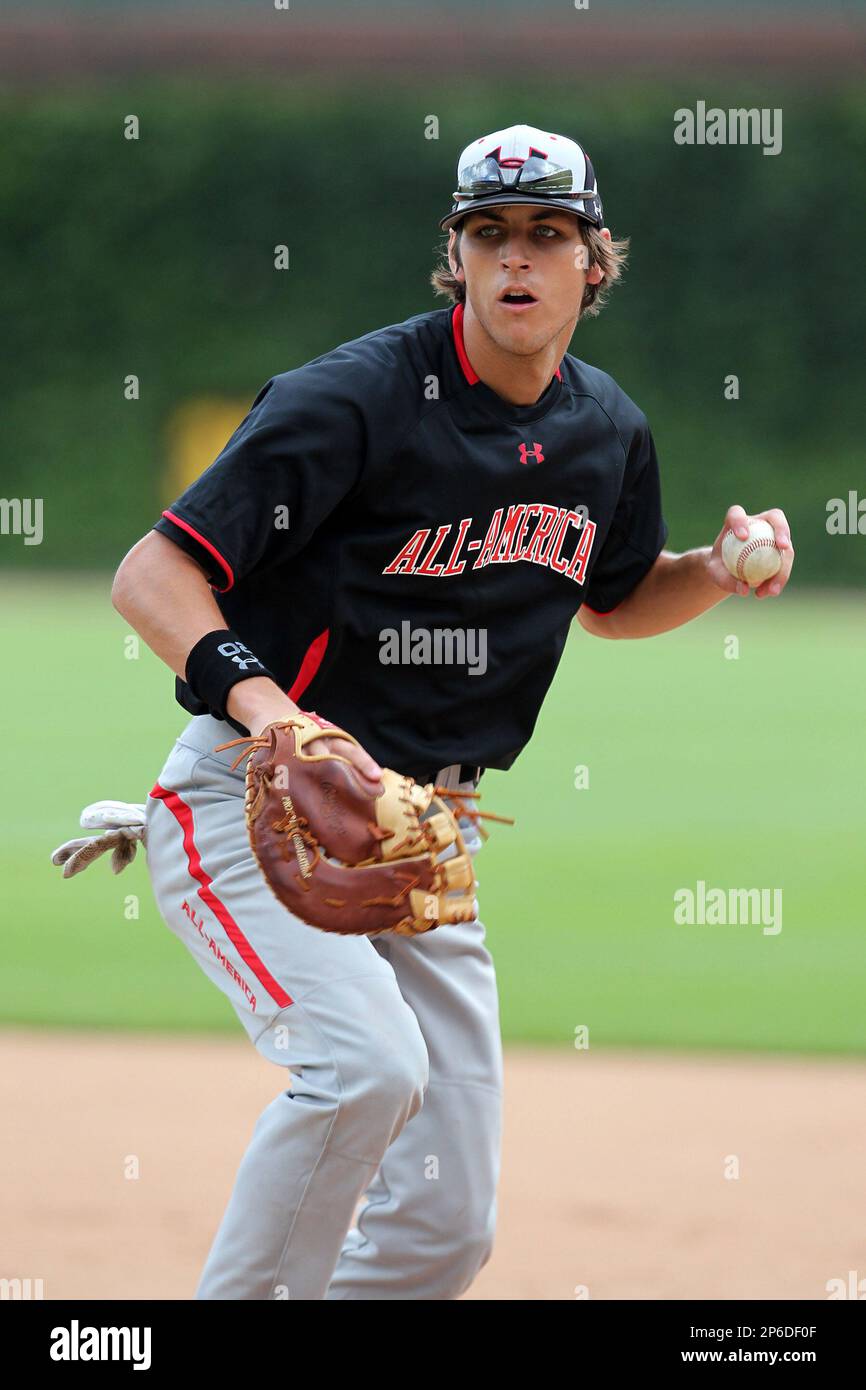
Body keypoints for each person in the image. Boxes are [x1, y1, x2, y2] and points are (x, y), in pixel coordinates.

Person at [111, 122, 794, 1300]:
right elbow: (153, 575)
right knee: (365, 1071)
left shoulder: (604, 430)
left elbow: (617, 600)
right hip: (252, 795)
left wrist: (716, 570)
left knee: (442, 1224)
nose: (515, 258)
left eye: (544, 234)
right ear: (456, 257)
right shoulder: (353, 400)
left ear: (593, 263)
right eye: (489, 235)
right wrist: (280, 716)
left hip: (425, 840)